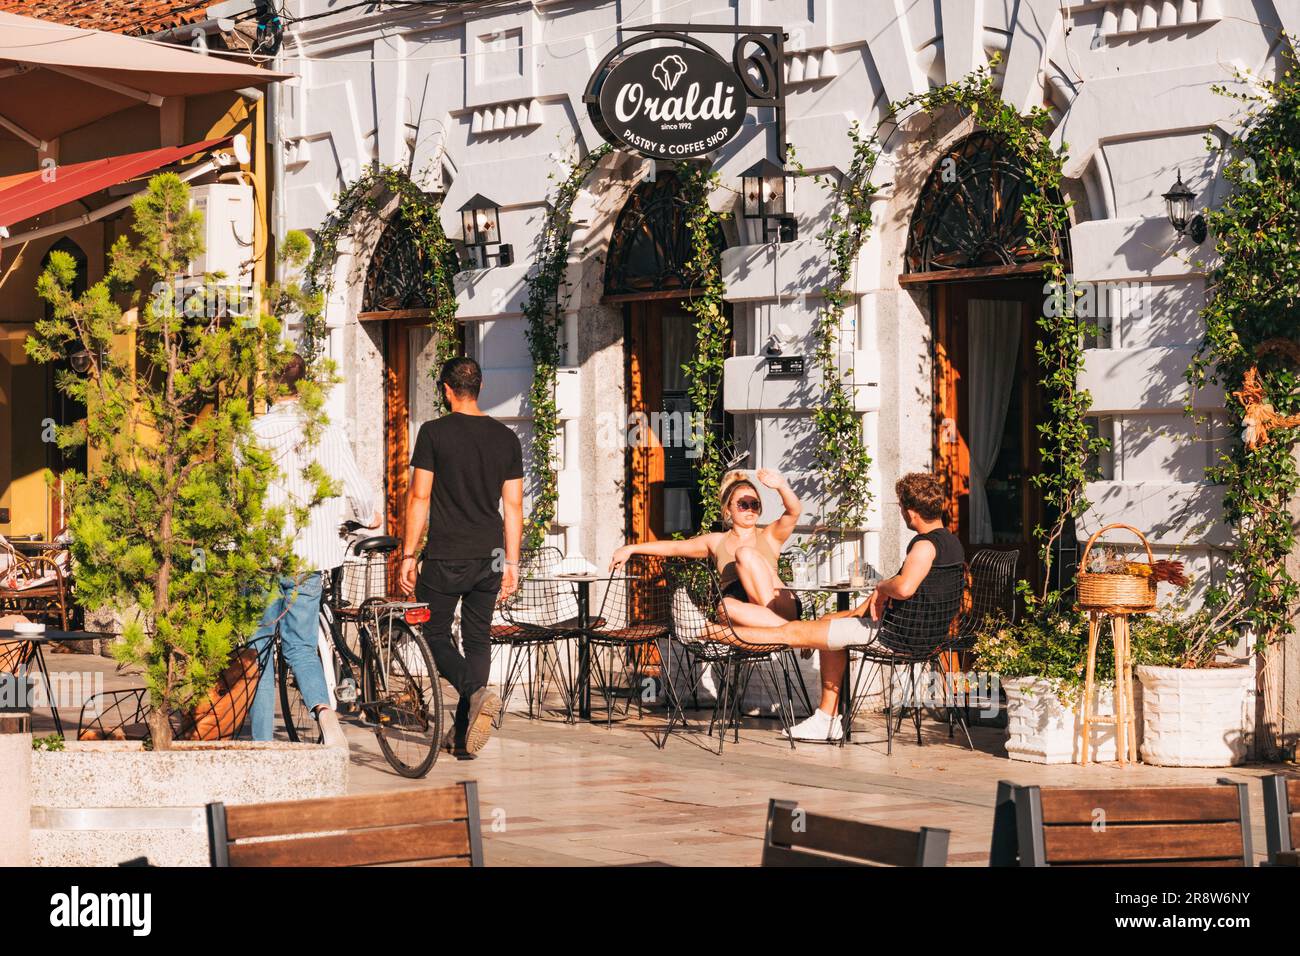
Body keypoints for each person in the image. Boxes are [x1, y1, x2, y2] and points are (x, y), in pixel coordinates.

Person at [729, 472, 965, 742]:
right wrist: (865, 604)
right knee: (831, 618)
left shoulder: (925, 545)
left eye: (901, 507)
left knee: (791, 633)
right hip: (927, 637)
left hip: (895, 637)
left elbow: (903, 588)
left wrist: (881, 587)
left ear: (911, 512)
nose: (901, 513)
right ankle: (826, 717)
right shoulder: (952, 542)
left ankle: (708, 631)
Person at [249, 354, 381, 742]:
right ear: (304, 384)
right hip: (308, 560)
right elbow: (358, 490)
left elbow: (235, 497)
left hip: (261, 558)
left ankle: (261, 745)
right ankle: (326, 716)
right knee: (302, 647)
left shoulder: (251, 433)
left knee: (258, 653)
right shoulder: (329, 431)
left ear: (271, 385)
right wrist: (368, 515)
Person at [399, 357, 523, 758]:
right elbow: (514, 507)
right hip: (489, 554)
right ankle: (464, 735)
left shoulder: (433, 434)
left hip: (446, 555)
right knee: (477, 638)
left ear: (446, 390)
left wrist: (407, 554)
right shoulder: (506, 438)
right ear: (480, 387)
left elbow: (419, 497)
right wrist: (513, 563)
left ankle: (473, 692)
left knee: (433, 635)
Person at [608, 469, 802, 626]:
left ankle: (781, 626)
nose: (750, 509)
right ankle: (792, 632)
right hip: (749, 613)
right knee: (725, 607)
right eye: (743, 504)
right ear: (728, 510)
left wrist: (781, 486)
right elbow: (675, 548)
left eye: (755, 504)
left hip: (780, 602)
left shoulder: (769, 535)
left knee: (744, 554)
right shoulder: (716, 541)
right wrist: (631, 548)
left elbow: (794, 511)